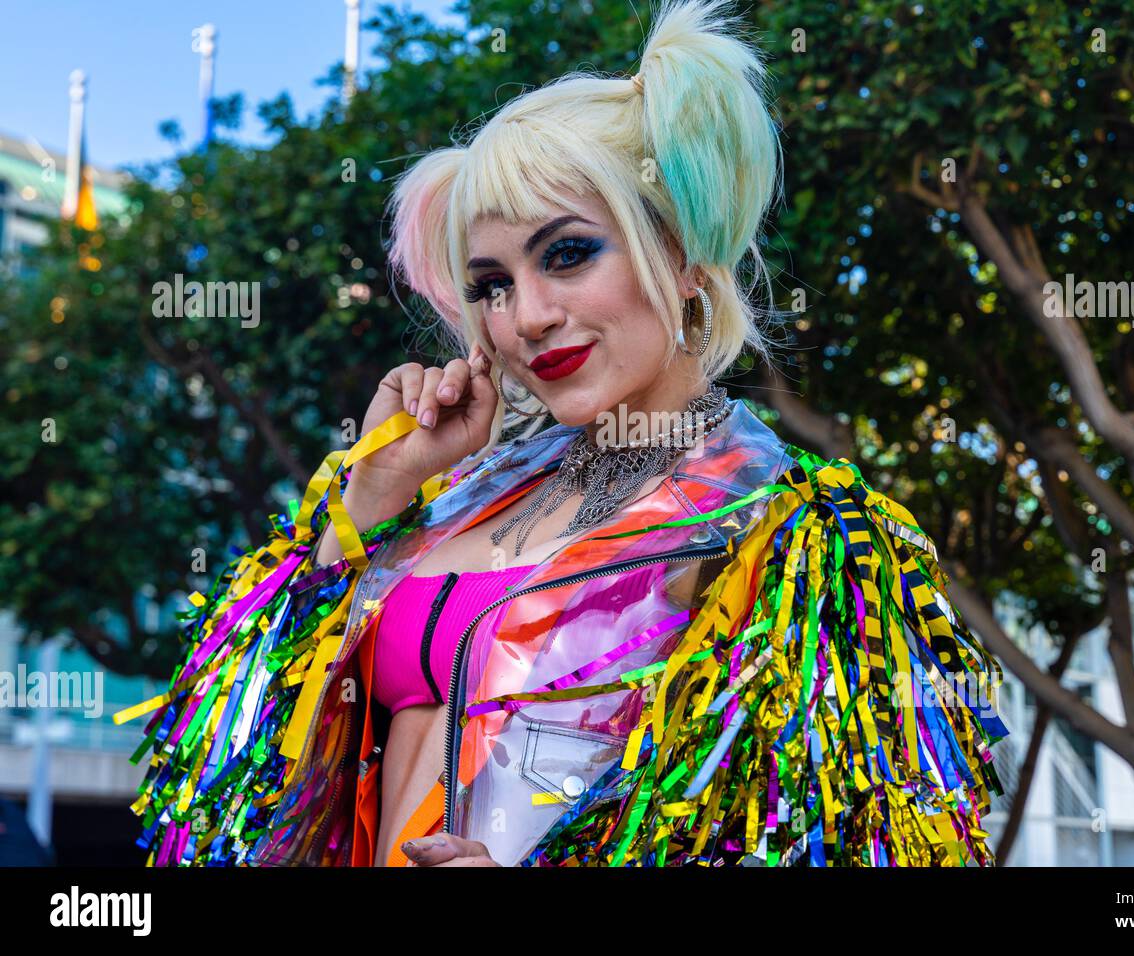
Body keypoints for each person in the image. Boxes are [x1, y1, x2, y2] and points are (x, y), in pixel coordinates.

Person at [116, 0, 1010, 868]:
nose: (527, 316)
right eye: (492, 284)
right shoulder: (450, 500)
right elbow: (230, 774)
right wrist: (375, 495)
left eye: (568, 253)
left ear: (685, 256)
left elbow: (858, 845)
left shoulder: (798, 541)